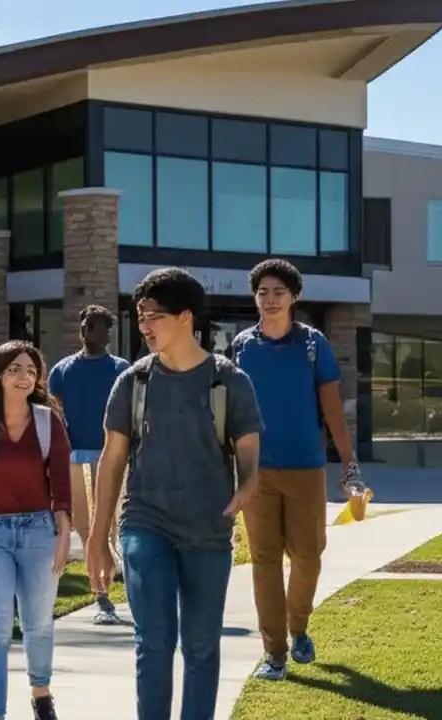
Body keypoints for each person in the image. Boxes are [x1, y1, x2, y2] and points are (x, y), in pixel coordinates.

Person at [87, 267, 263, 720]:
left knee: (202, 646)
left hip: (208, 529)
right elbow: (112, 460)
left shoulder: (229, 382)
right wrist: (98, 537)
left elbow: (248, 452)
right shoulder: (133, 382)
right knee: (154, 640)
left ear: (185, 317)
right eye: (139, 317)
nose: (143, 326)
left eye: (152, 316)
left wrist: (246, 486)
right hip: (146, 523)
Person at [226, 258, 360, 681]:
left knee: (309, 555)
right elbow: (230, 408)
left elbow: (332, 409)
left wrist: (349, 464)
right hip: (256, 470)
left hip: (305, 467)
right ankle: (275, 653)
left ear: (294, 297)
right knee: (264, 561)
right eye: (262, 292)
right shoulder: (242, 346)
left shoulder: (312, 344)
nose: (269, 299)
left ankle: (297, 626)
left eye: (278, 292)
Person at [0, 340, 73, 720]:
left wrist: (64, 533)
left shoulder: (46, 421)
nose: (24, 377)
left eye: (31, 371)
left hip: (39, 530)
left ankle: (41, 694)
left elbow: (62, 482)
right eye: (16, 369)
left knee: (37, 623)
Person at [47, 304, 130, 626]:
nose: (91, 331)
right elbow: (56, 415)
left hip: (113, 457)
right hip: (75, 458)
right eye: (87, 325)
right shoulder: (62, 370)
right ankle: (102, 597)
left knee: (111, 528)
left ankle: (118, 591)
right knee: (87, 530)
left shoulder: (121, 369)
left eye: (99, 327)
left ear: (108, 333)